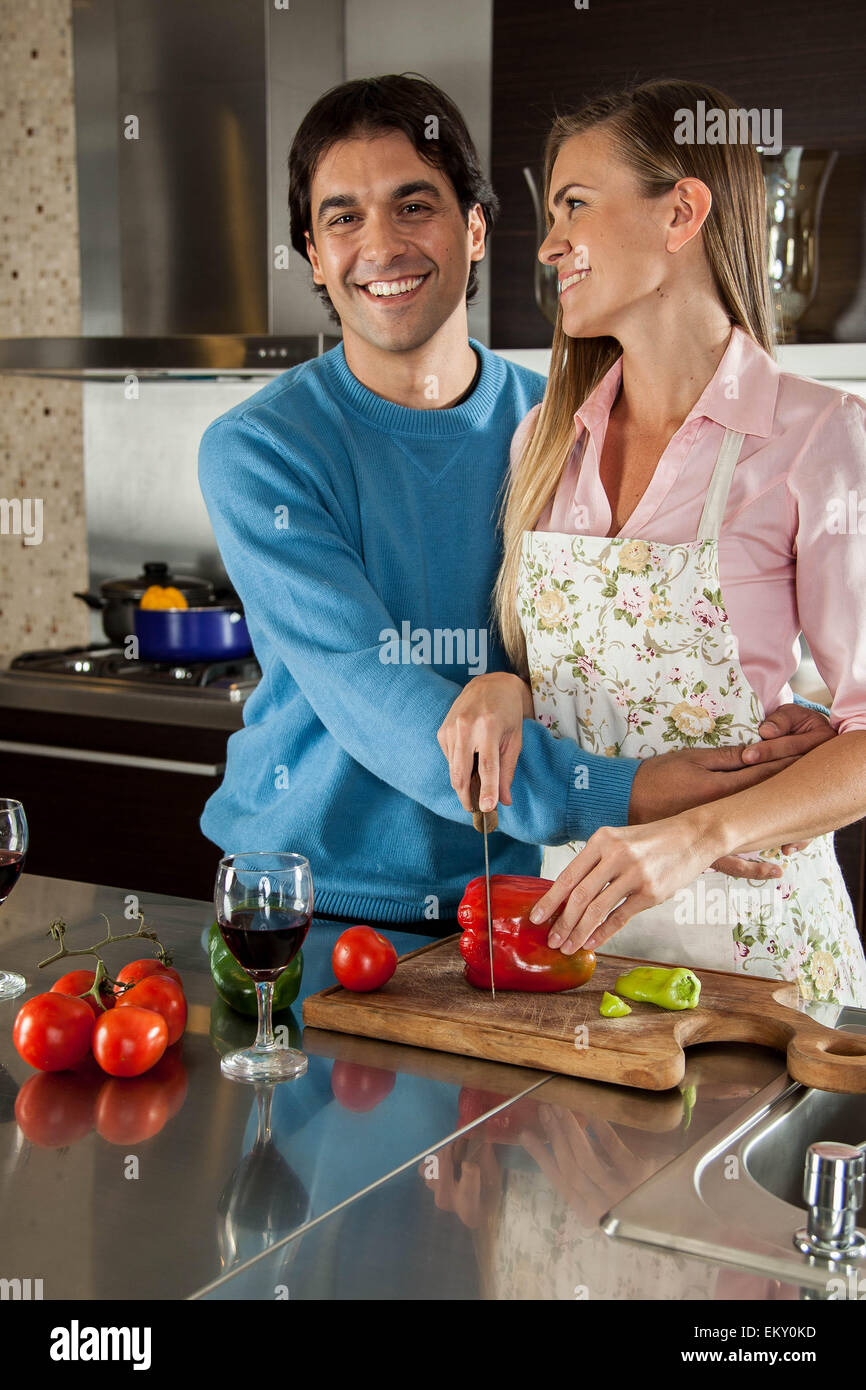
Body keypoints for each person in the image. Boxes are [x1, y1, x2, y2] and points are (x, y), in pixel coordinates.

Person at [198, 73, 833, 933]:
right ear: (313, 254)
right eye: (342, 217)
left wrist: (795, 735)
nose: (380, 244)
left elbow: (594, 655)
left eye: (414, 205)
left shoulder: (554, 428)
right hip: (311, 901)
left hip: (512, 905)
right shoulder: (260, 450)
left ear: (476, 227)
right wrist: (638, 794)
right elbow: (370, 690)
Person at [437, 78, 866, 1005]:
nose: (549, 245)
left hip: (757, 962)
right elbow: (562, 674)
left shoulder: (818, 434)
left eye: (575, 207)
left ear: (682, 212)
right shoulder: (547, 433)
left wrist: (704, 835)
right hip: (571, 944)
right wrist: (504, 682)